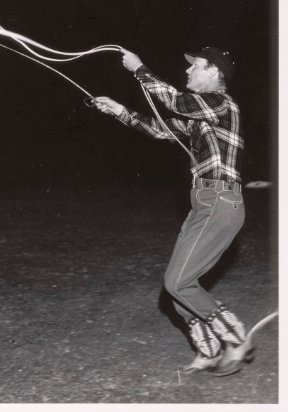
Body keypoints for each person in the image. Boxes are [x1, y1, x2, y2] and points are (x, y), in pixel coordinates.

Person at [92, 46, 252, 376]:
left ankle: (236, 339)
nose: (188, 71)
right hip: (206, 204)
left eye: (197, 67)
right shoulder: (203, 115)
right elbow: (161, 129)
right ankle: (208, 352)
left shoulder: (220, 103)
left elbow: (176, 101)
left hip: (220, 202)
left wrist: (139, 68)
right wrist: (119, 110)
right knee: (180, 286)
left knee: (178, 282)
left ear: (215, 74)